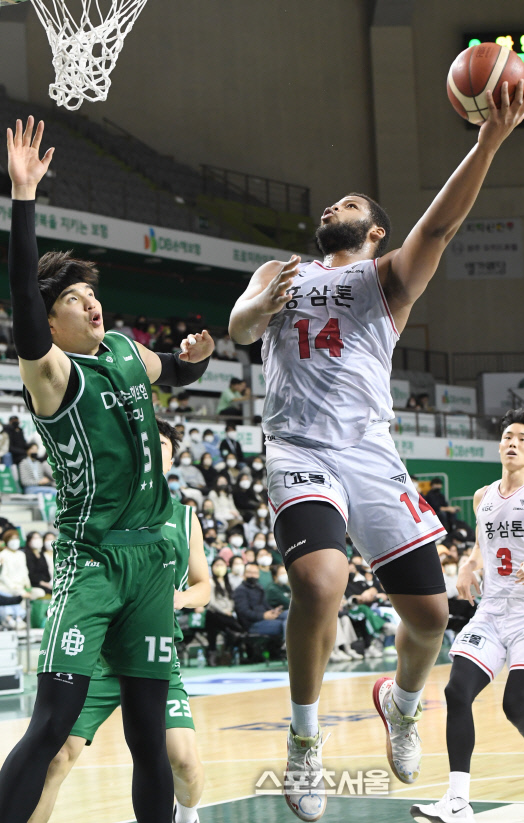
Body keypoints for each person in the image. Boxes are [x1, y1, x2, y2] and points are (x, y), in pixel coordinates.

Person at [229, 71, 524, 821]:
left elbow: (439, 227)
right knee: (320, 582)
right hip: (298, 446)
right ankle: (305, 741)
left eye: (351, 204)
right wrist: (260, 306)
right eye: (331, 202)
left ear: (374, 233)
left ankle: (400, 701)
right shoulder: (280, 271)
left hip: (369, 454)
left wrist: (488, 140)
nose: (333, 205)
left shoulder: (387, 278)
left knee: (429, 617)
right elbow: (238, 328)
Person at [0, 117, 214, 823]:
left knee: (152, 742)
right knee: (51, 728)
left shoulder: (124, 350)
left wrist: (195, 359)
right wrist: (24, 197)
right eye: (71, 299)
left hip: (151, 564)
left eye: (89, 293)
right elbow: (23, 307)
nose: (89, 302)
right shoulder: (53, 375)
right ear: (50, 321)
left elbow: (174, 372)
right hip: (91, 561)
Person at [29, 418, 211, 823]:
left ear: (172, 459)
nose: (152, 450)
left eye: (162, 444)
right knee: (57, 758)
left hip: (153, 651)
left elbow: (204, 586)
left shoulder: (185, 518)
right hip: (95, 654)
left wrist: (177, 598)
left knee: (184, 762)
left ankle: (187, 815)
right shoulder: (101, 504)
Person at [410, 408, 524, 823]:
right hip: (491, 611)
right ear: (499, 444)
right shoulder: (482, 496)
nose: (513, 443)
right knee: (456, 693)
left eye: (523, 439)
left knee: (516, 705)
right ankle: (457, 801)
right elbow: (480, 548)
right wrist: (468, 567)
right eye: (508, 436)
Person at [205, 556, 244, 666]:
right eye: (217, 565)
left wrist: (229, 609)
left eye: (222, 565)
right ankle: (213, 653)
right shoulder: (210, 582)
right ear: (212, 567)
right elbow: (211, 602)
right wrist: (223, 611)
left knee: (233, 629)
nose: (219, 567)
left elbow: (231, 599)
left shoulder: (228, 582)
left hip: (227, 613)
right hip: (215, 613)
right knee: (214, 622)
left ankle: (228, 651)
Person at [233, 562, 287, 638]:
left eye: (255, 573)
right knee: (287, 624)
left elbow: (265, 605)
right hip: (253, 624)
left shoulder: (258, 587)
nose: (253, 575)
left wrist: (273, 611)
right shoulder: (240, 590)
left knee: (289, 614)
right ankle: (287, 644)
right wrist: (263, 616)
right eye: (250, 572)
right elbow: (243, 612)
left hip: (266, 618)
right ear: (244, 574)